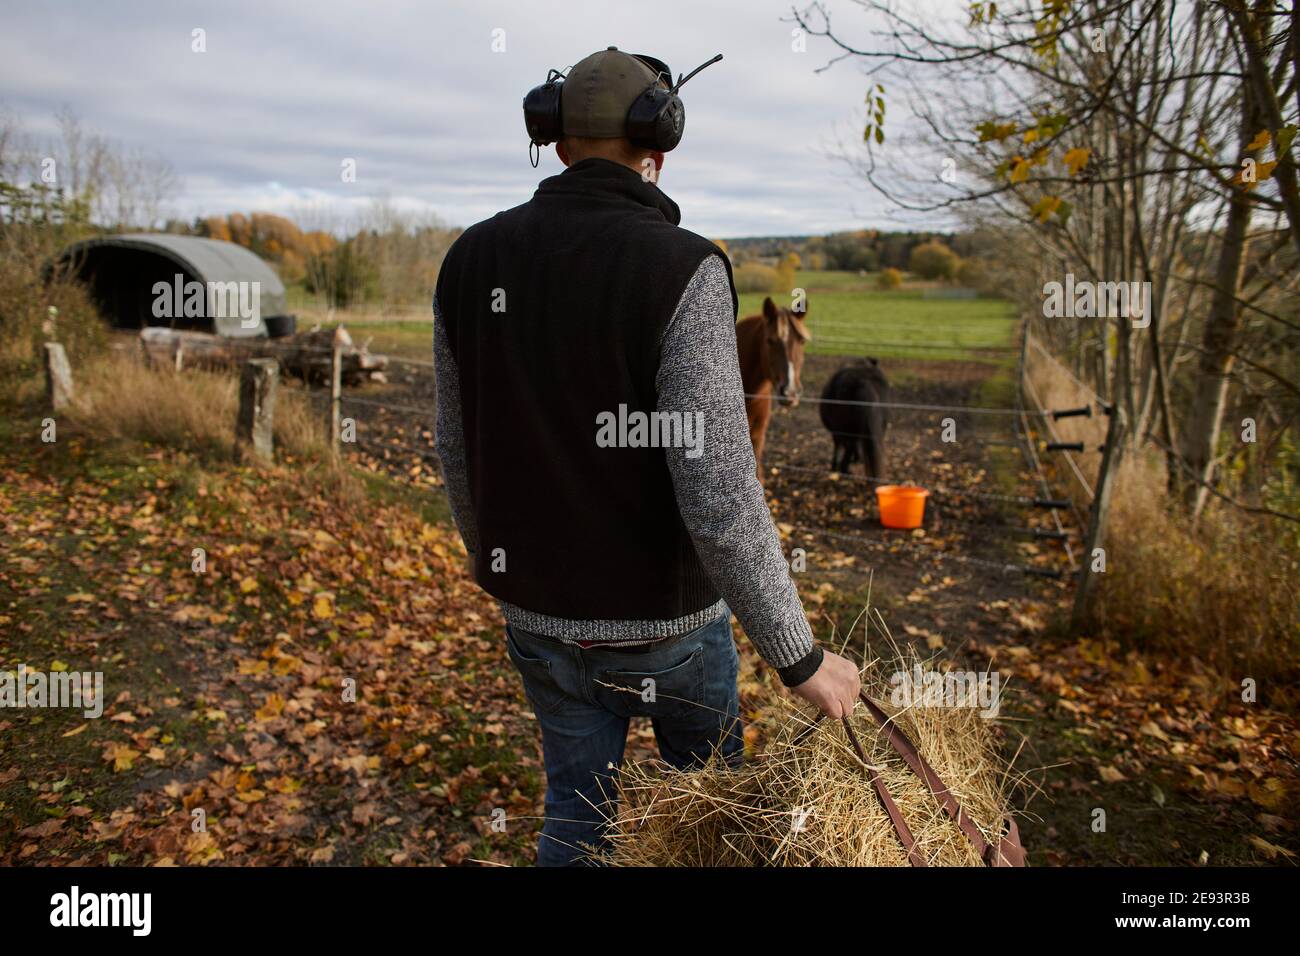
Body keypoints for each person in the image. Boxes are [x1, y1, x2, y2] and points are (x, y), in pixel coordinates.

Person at [433, 46, 860, 866]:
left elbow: (456, 446)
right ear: (656, 147)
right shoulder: (682, 268)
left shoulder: (469, 261)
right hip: (671, 635)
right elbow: (721, 494)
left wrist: (500, 568)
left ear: (556, 142)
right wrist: (797, 656)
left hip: (538, 624)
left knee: (574, 817)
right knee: (711, 828)